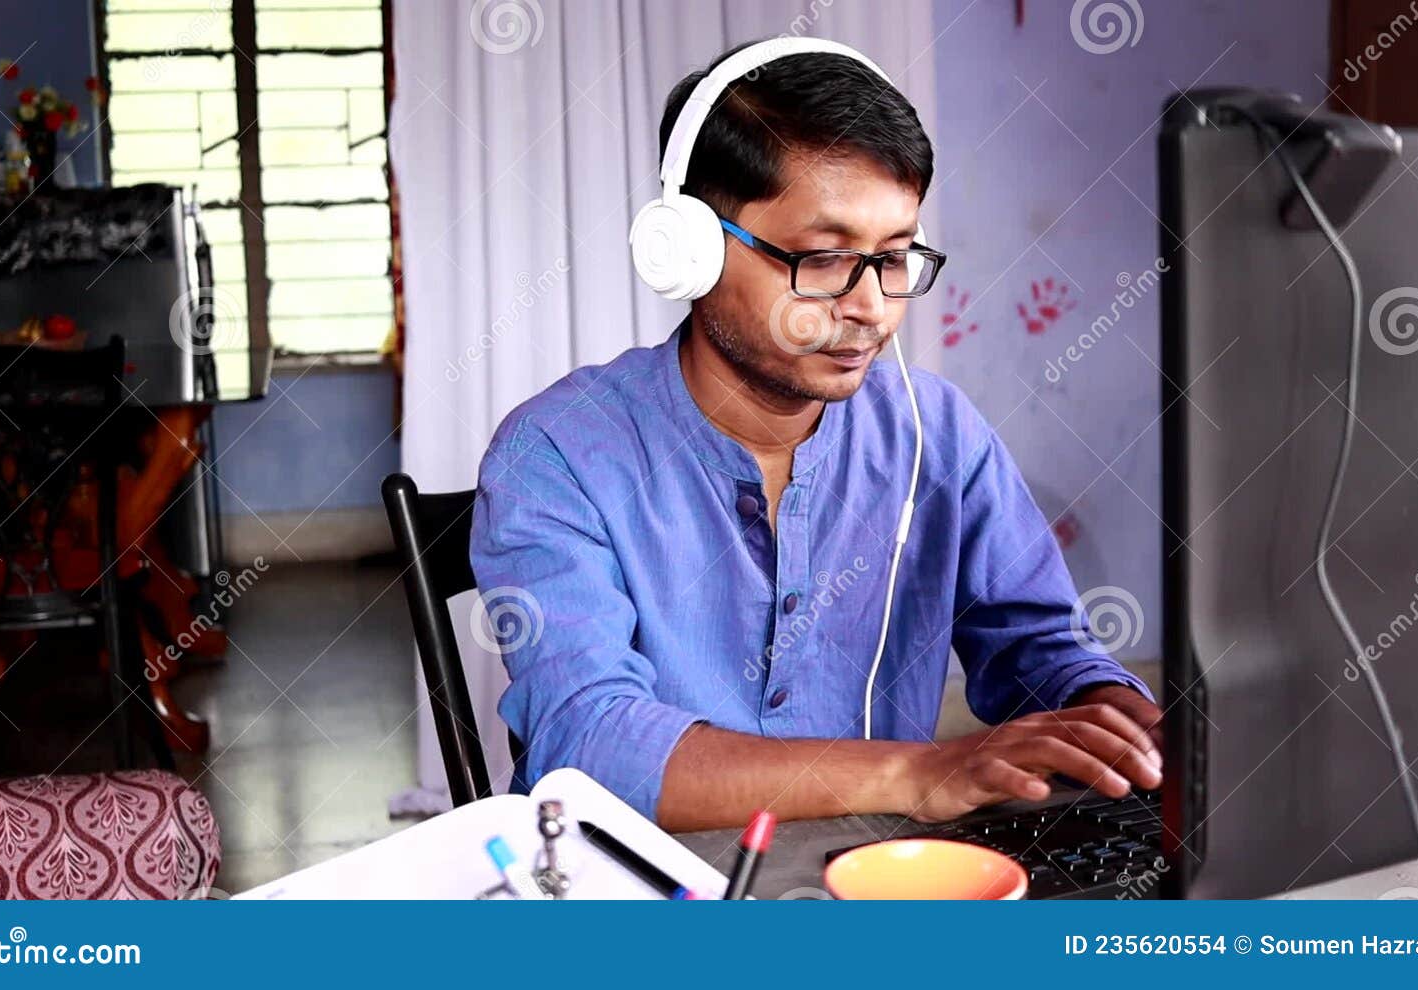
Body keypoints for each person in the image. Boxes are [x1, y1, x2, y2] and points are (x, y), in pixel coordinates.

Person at [471, 41, 1162, 831]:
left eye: (896, 257)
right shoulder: (556, 452)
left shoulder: (934, 433)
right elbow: (589, 746)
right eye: (827, 258)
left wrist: (1113, 721)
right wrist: (921, 770)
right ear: (688, 251)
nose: (871, 306)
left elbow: (1038, 647)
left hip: (871, 883)